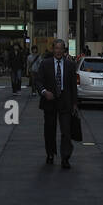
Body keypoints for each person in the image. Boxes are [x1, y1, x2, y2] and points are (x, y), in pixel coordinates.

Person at [37, 38, 79, 168]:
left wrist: (74, 104)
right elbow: (38, 81)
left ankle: (65, 157)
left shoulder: (70, 65)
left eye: (61, 48)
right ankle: (50, 153)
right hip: (49, 101)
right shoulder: (45, 64)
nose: (58, 51)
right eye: (56, 48)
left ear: (64, 50)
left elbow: (73, 86)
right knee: (49, 130)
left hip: (65, 101)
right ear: (52, 49)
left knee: (66, 131)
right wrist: (44, 92)